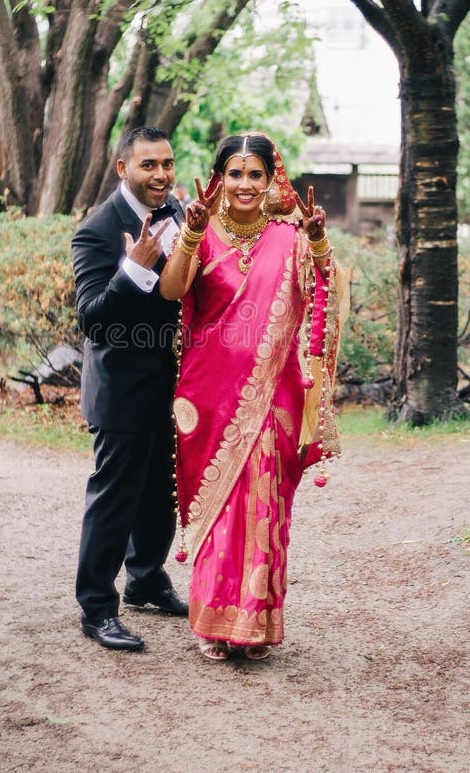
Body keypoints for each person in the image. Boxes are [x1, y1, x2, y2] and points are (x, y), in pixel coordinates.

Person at [160, 132, 349, 661]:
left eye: (255, 175)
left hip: (272, 396)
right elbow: (173, 290)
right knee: (218, 510)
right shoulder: (202, 229)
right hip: (208, 395)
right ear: (220, 178)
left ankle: (255, 621)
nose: (245, 185)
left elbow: (323, 294)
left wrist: (317, 243)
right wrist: (192, 236)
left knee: (264, 501)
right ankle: (213, 622)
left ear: (271, 180)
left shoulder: (289, 237)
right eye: (235, 174)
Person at [71, 126, 189, 652]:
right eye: (149, 165)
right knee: (114, 500)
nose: (160, 175)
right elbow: (92, 321)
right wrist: (132, 270)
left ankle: (145, 577)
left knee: (161, 495)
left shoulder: (180, 217)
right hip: (120, 390)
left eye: (166, 164)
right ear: (124, 169)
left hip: (174, 387)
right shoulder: (97, 231)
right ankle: (98, 608)